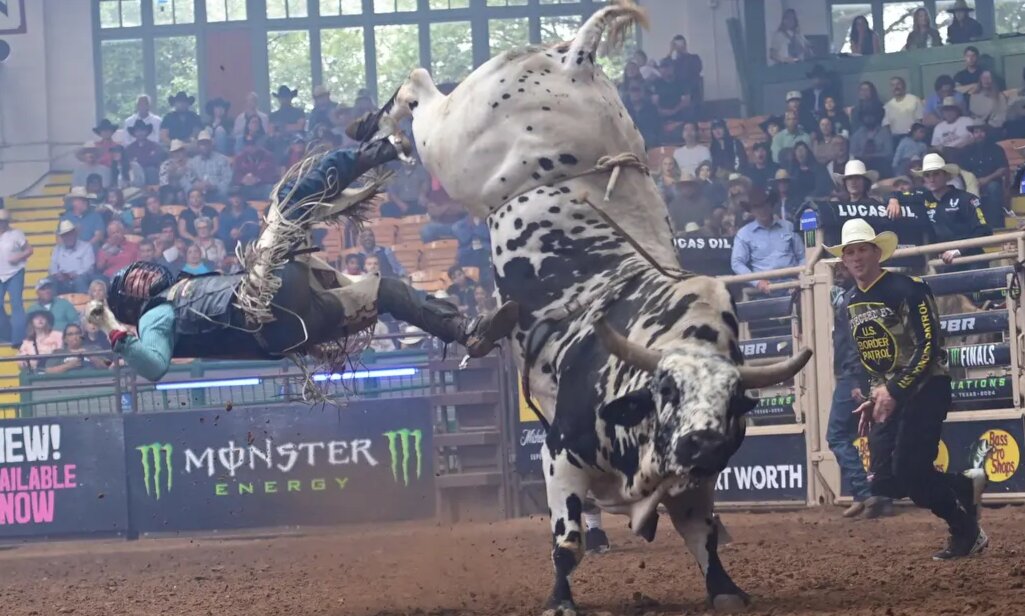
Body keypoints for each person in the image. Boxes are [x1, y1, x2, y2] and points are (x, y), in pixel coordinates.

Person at [85, 136, 519, 385]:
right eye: (134, 284)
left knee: (384, 290)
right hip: (267, 305)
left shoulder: (181, 290)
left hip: (294, 323)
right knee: (289, 202)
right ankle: (376, 151)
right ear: (135, 304)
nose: (141, 276)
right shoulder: (158, 316)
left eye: (139, 271)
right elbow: (154, 367)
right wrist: (111, 326)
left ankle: (467, 332)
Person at [827, 218, 988, 560]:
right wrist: (874, 395)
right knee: (883, 482)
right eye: (850, 252)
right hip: (889, 394)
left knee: (910, 474)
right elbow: (868, 357)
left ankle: (965, 530)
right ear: (844, 260)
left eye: (862, 250)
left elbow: (928, 347)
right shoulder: (849, 302)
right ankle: (960, 485)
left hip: (926, 387)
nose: (856, 258)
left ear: (876, 253)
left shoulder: (908, 288)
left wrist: (893, 390)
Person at [826, 262, 876, 518]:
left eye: (841, 270)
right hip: (864, 372)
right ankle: (868, 494)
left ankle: (865, 493)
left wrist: (856, 380)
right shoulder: (858, 297)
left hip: (853, 374)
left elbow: (857, 342)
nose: (838, 275)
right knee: (874, 431)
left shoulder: (849, 301)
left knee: (836, 434)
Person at [730, 190, 805, 294]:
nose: (762, 210)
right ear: (751, 210)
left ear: (771, 206)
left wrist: (800, 277)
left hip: (794, 286)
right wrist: (757, 282)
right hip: (764, 290)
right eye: (756, 207)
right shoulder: (744, 234)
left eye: (765, 205)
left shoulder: (788, 227)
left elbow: (803, 257)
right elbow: (737, 263)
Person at [957, 122, 1009, 228]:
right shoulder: (967, 150)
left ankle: (995, 226)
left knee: (993, 188)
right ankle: (972, 228)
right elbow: (962, 170)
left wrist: (986, 179)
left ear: (986, 133)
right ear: (973, 134)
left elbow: (1003, 169)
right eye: (976, 132)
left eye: (982, 131)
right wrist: (972, 182)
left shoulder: (996, 149)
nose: (979, 134)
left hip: (991, 181)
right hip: (972, 183)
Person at [0, 209, 32, 345]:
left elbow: (29, 250)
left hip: (15, 272)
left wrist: (19, 256)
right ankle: (6, 333)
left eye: (3, 221)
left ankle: (18, 338)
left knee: (16, 303)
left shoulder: (16, 234)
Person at [49, 220, 95, 294]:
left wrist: (75, 274)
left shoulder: (86, 247)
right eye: (65, 235)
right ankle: (54, 305)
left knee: (80, 280)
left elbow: (88, 268)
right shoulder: (57, 249)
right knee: (50, 281)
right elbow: (52, 268)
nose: (68, 237)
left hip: (80, 278)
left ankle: (84, 303)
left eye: (70, 234)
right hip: (62, 280)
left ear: (75, 233)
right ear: (62, 237)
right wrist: (57, 274)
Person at [883, 77, 924, 148]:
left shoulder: (914, 100)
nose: (896, 87)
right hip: (896, 139)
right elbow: (886, 126)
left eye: (898, 84)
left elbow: (921, 119)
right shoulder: (888, 106)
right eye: (893, 85)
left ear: (904, 86)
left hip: (912, 137)